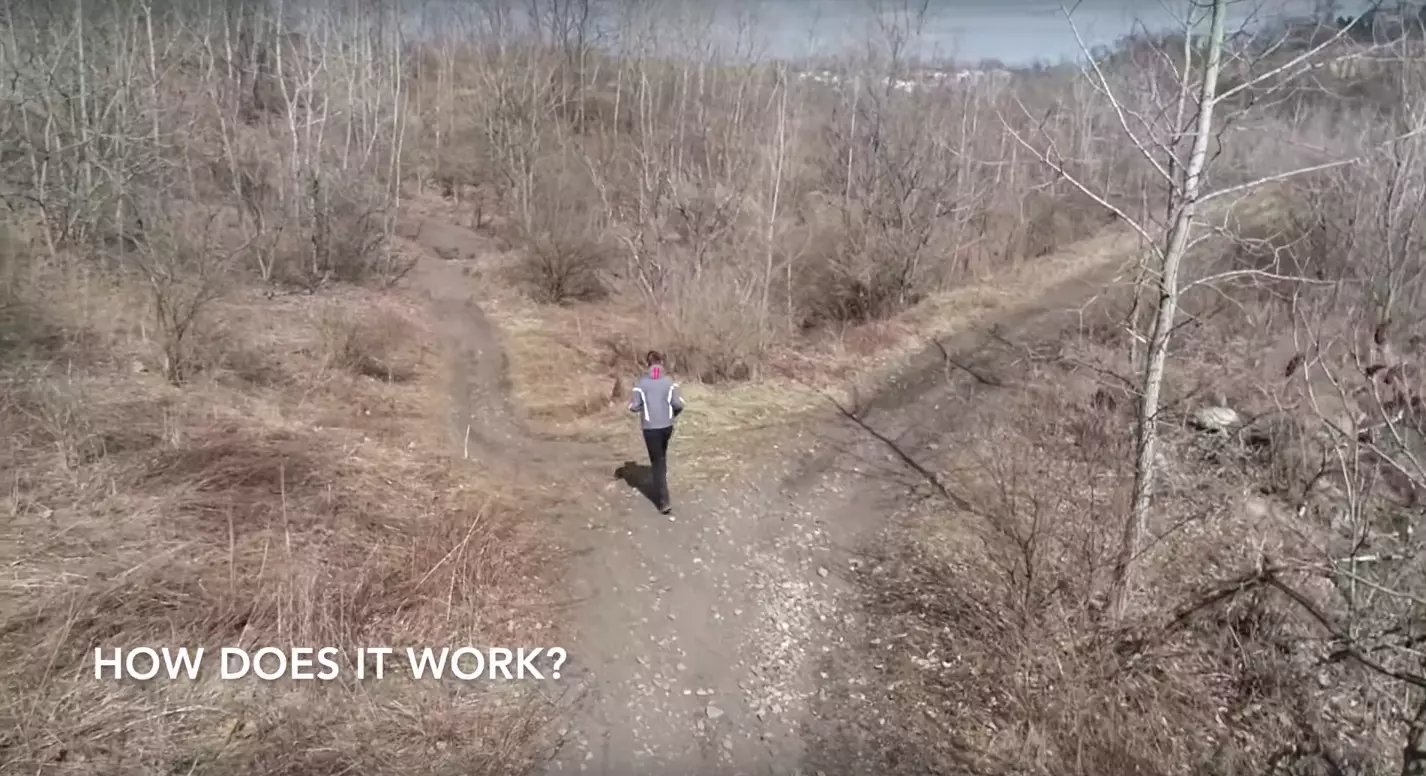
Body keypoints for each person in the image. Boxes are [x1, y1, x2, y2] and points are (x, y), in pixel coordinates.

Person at [628, 350, 684, 515]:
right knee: (661, 456)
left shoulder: (641, 384)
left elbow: (634, 406)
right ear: (661, 363)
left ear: (648, 364)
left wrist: (633, 407)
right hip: (667, 427)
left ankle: (663, 500)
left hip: (650, 428)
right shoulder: (669, 382)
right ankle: (662, 483)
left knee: (657, 461)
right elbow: (678, 404)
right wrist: (672, 415)